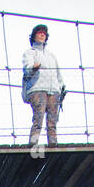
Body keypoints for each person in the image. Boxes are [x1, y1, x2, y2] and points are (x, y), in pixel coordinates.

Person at [22, 23, 65, 156]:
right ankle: (33, 141)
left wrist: (62, 86)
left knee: (53, 118)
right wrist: (33, 68)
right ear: (34, 36)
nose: (42, 35)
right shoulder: (30, 53)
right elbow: (27, 70)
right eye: (39, 32)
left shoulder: (51, 56)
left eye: (44, 33)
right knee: (38, 116)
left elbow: (58, 73)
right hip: (37, 88)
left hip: (53, 90)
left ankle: (53, 142)